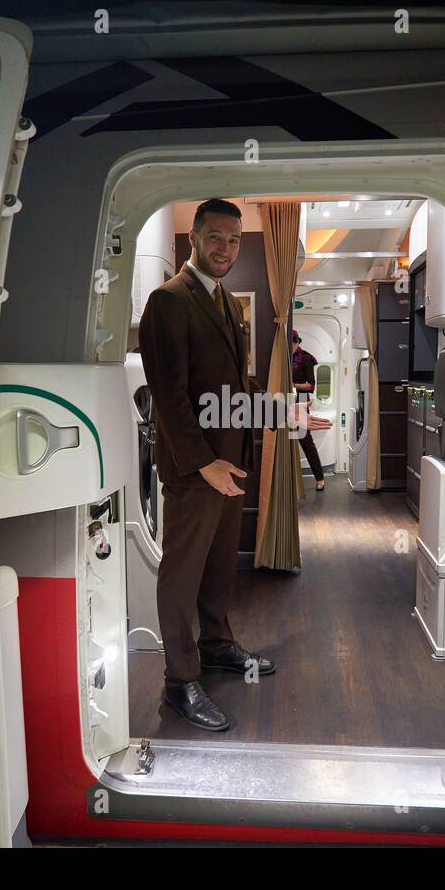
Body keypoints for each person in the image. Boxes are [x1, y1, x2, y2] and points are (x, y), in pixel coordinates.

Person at [138, 198, 330, 731]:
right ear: (195, 239)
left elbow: (237, 387)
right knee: (182, 574)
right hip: (195, 469)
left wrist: (285, 413)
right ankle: (180, 681)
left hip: (231, 462)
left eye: (234, 240)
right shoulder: (167, 302)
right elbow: (169, 398)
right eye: (216, 238)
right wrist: (205, 465)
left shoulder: (226, 303)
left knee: (221, 566)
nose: (225, 249)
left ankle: (217, 645)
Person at [291, 330, 325, 491]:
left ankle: (319, 477)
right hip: (285, 400)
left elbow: (311, 386)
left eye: (293, 343)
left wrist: (292, 385)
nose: (291, 346)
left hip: (302, 400)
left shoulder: (306, 358)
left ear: (297, 343)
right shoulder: (282, 357)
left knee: (305, 440)